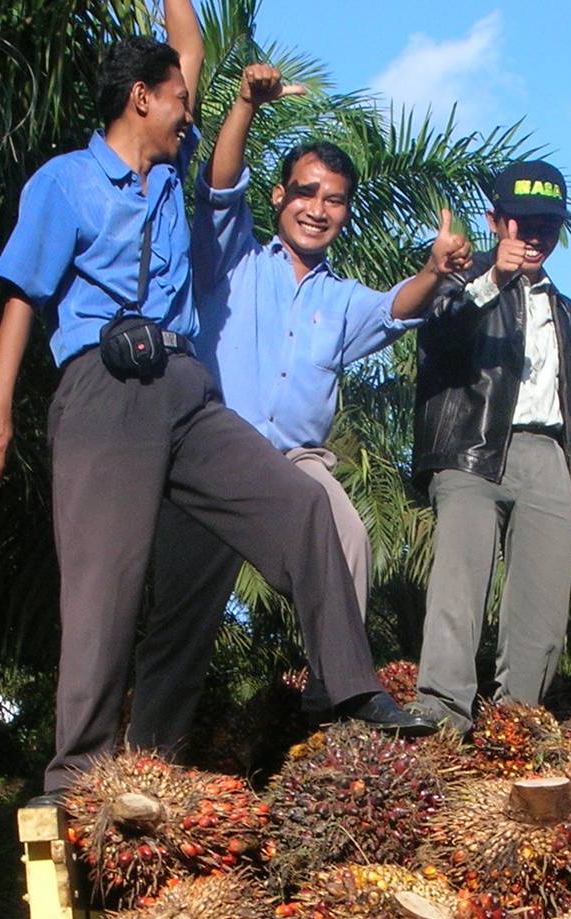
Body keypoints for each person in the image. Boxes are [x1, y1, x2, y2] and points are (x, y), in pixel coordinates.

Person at [0, 0, 426, 792]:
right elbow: (22, 293)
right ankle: (77, 770)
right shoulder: (67, 182)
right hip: (104, 392)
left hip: (187, 389)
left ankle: (349, 686)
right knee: (104, 586)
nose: (191, 108)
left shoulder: (171, 169)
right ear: (141, 97)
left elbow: (189, 42)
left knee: (301, 505)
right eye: (181, 98)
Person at [126, 64, 470, 752]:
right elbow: (221, 187)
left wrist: (435, 271)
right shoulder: (232, 261)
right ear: (280, 197)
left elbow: (395, 309)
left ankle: (333, 693)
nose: (318, 207)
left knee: (346, 535)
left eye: (335, 199)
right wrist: (247, 105)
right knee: (180, 623)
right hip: (212, 454)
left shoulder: (340, 299)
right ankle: (145, 756)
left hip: (294, 463)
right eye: (306, 192)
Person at [409, 160, 571, 734]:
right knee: (459, 585)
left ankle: (515, 722)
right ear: (497, 221)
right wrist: (492, 278)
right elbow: (438, 332)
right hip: (472, 450)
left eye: (547, 224)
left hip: (549, 458)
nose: (534, 236)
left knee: (544, 609)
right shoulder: (458, 282)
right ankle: (442, 712)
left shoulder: (567, 314)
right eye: (522, 223)